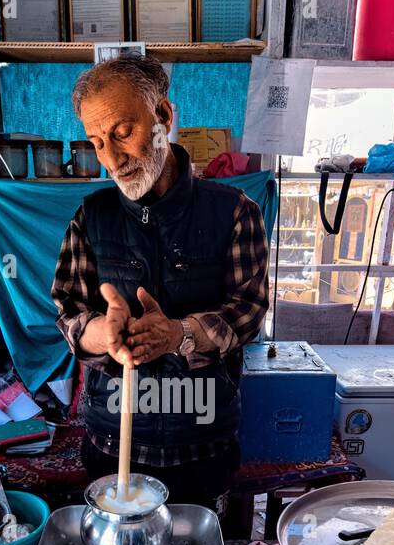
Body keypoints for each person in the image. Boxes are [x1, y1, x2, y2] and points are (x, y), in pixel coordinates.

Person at [51, 55, 268, 514]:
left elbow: (247, 310)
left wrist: (179, 334)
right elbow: (69, 311)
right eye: (96, 142)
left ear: (164, 118)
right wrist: (102, 334)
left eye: (122, 132)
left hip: (203, 446)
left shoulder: (233, 211)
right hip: (113, 444)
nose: (110, 158)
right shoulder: (91, 218)